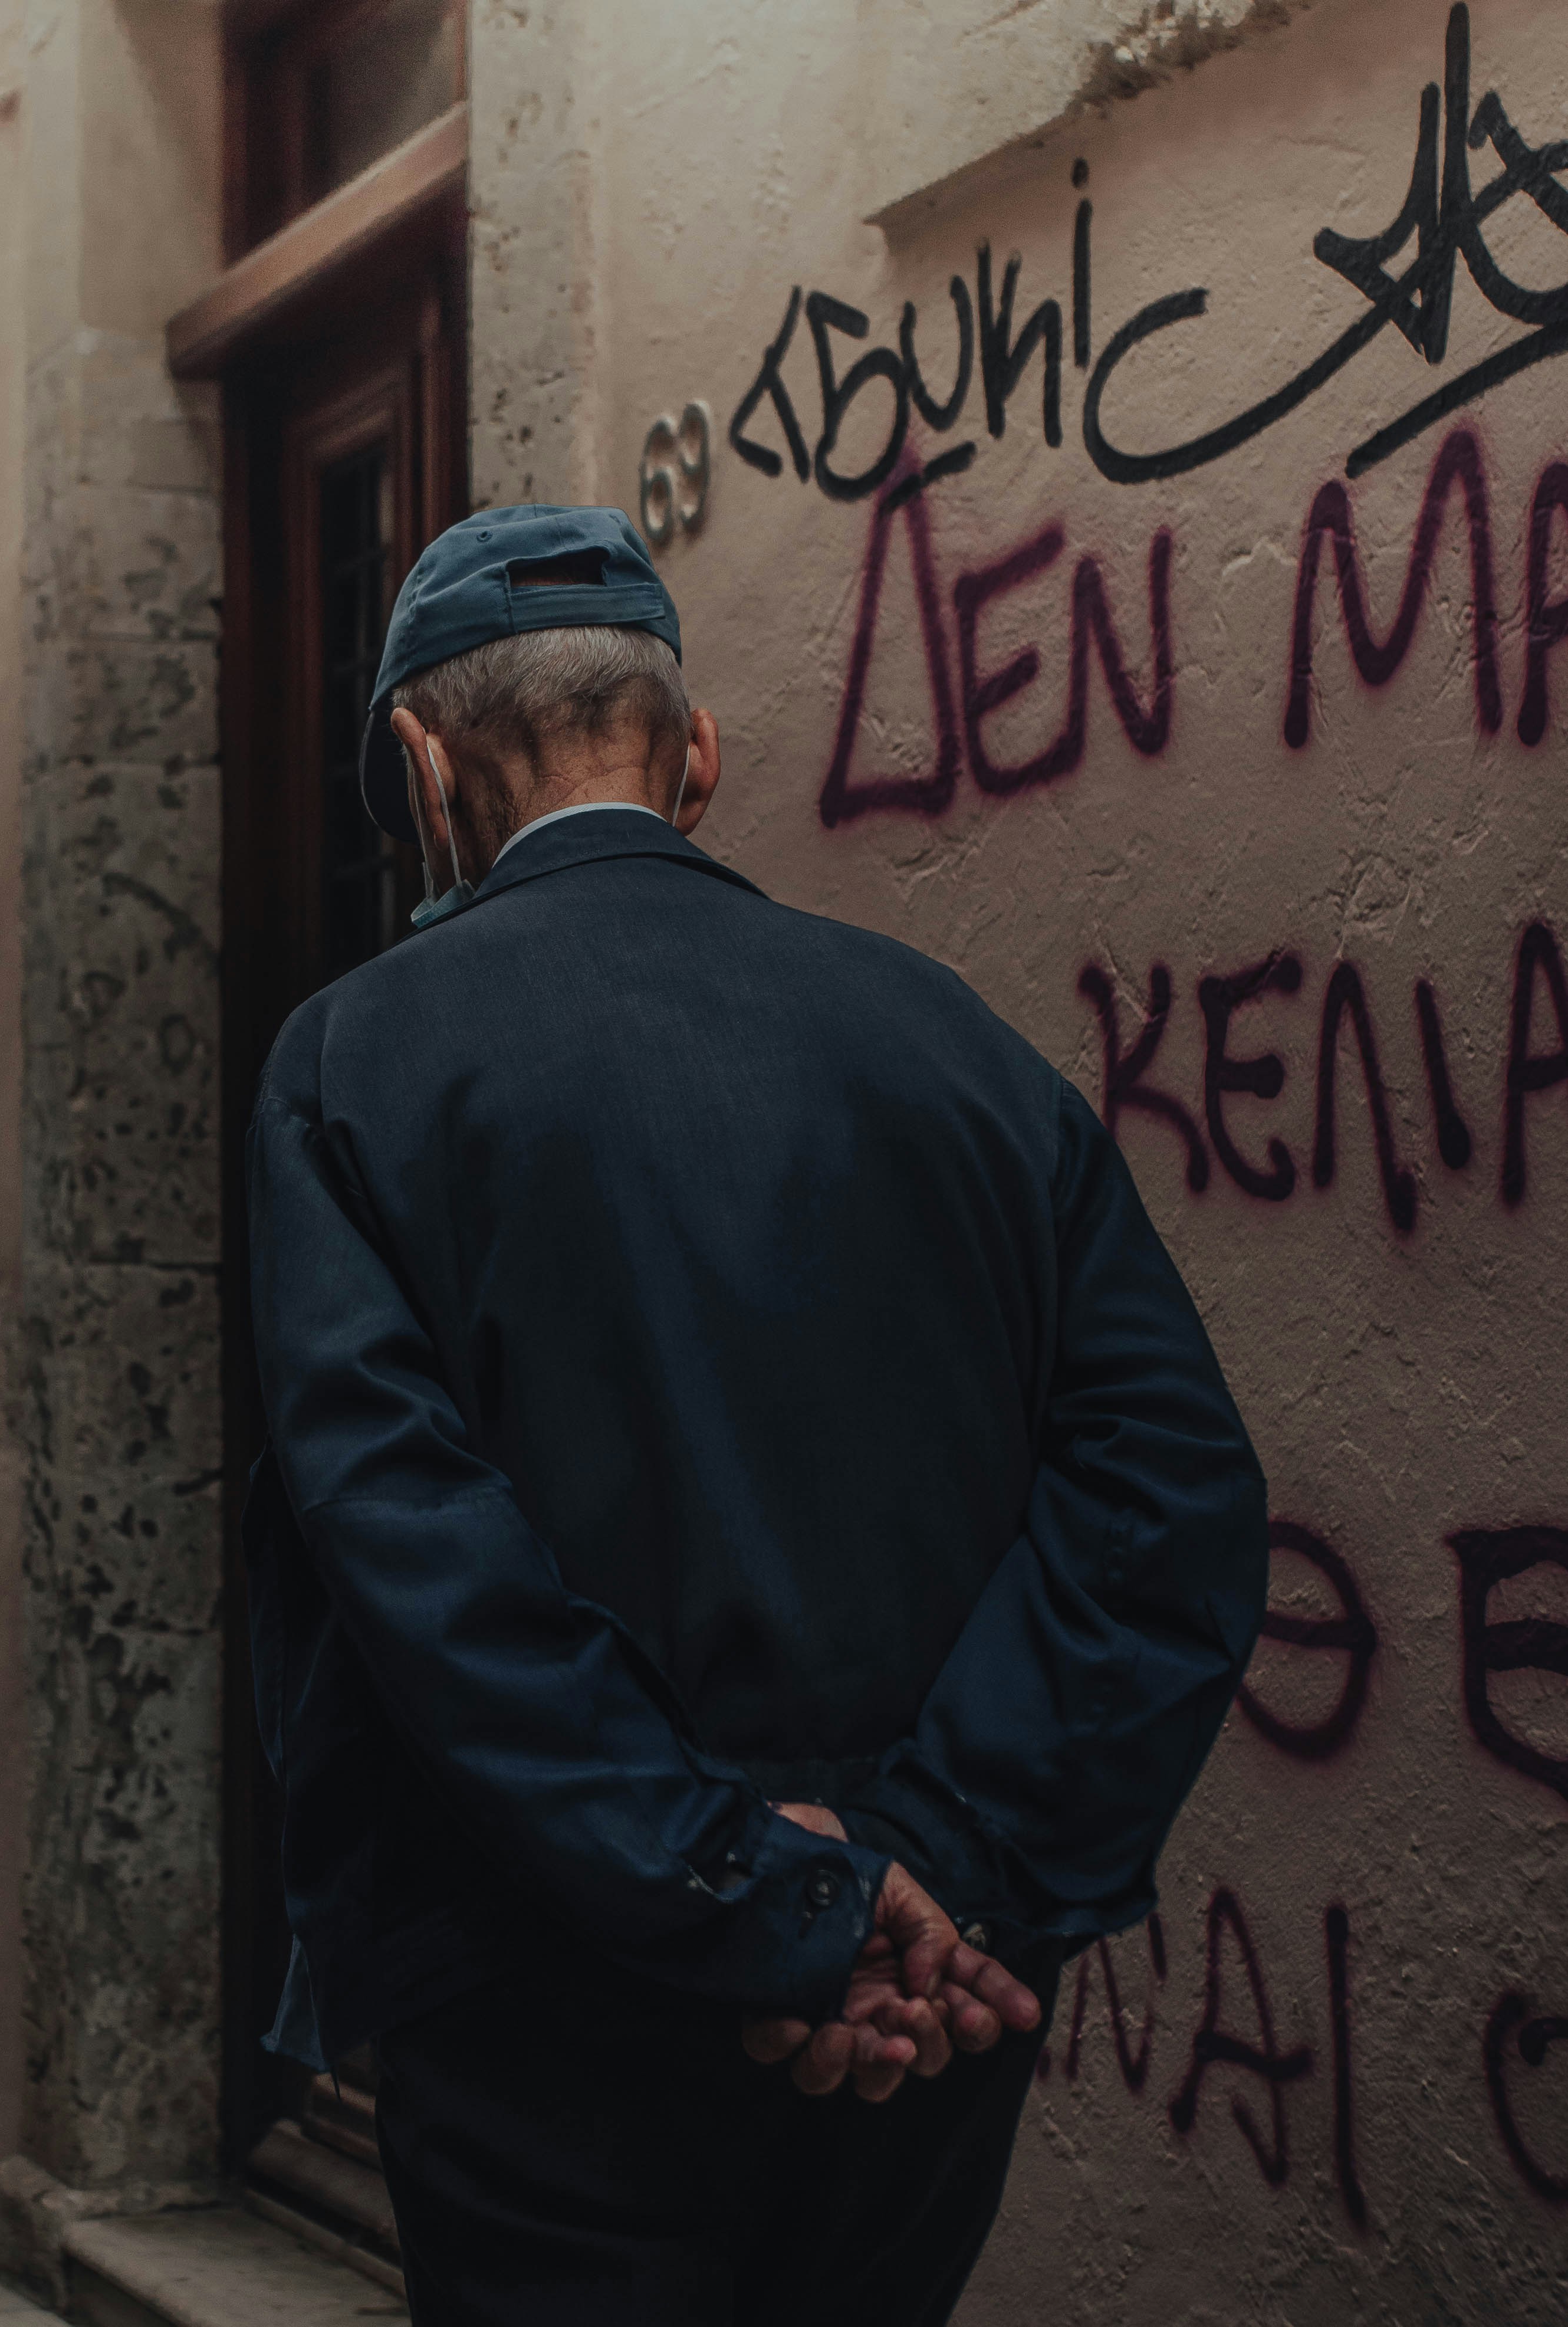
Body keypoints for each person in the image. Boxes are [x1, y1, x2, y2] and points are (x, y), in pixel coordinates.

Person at [244, 504, 1270, 2325]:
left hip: (546, 2006)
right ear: (698, 758)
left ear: (423, 767)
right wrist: (927, 1865)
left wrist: (756, 1890)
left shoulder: (351, 1064)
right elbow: (1169, 1490)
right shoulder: (953, 1041)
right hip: (921, 2004)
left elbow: (415, 1548)